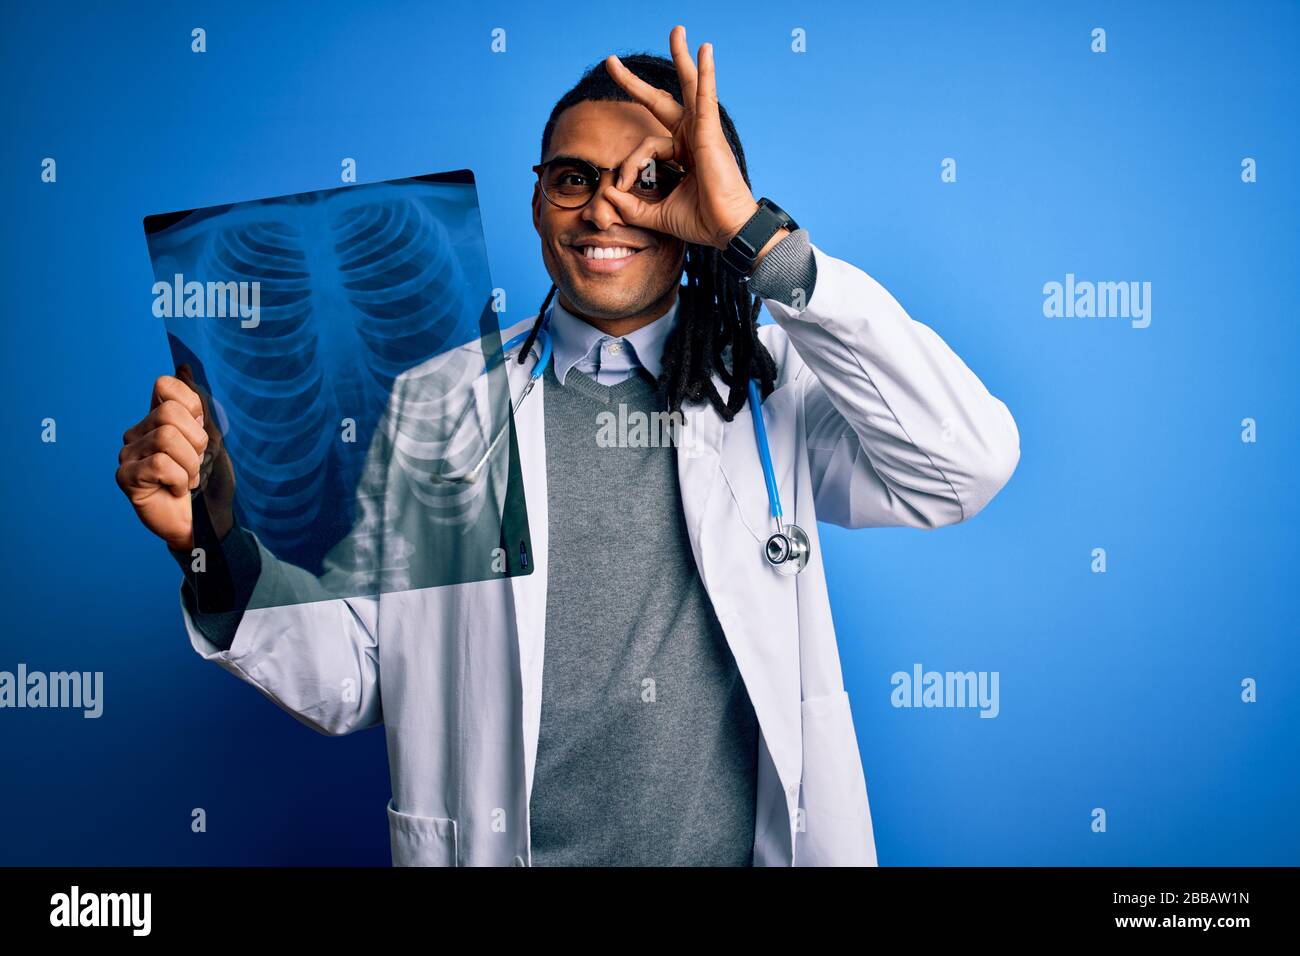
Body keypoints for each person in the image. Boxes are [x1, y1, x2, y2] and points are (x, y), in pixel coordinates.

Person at [115, 26, 1020, 866]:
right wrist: (209, 543)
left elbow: (964, 465)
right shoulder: (440, 405)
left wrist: (758, 243)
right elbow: (359, 674)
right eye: (575, 178)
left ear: (703, 200)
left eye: (653, 182)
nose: (606, 210)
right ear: (540, 197)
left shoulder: (769, 383)